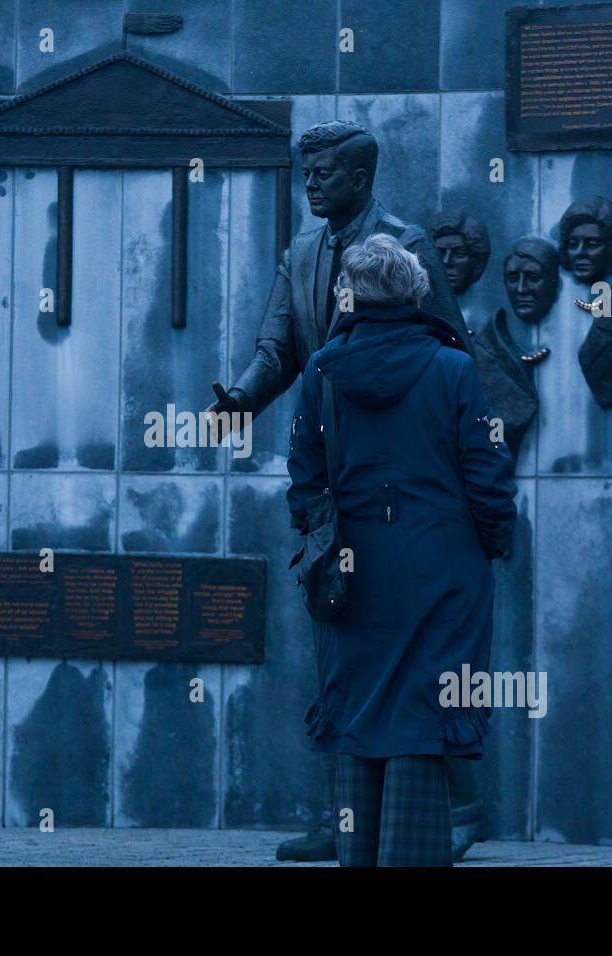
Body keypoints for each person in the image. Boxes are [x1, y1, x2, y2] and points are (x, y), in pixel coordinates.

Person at [207, 119, 468, 863]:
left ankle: (433, 819)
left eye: (324, 172)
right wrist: (242, 403)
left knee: (414, 655)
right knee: (339, 648)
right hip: (332, 480)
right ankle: (345, 819)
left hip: (407, 482)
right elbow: (278, 348)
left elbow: (453, 346)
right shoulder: (299, 253)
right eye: (308, 171)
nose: (312, 182)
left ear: (359, 177)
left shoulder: (403, 244)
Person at [286, 233, 517, 866]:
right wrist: (495, 541)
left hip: (352, 573)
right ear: (415, 293)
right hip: (442, 567)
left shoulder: (321, 372)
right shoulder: (452, 368)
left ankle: (359, 855)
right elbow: (486, 473)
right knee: (423, 714)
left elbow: (303, 478)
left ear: (350, 296)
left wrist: (321, 542)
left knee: (360, 715)